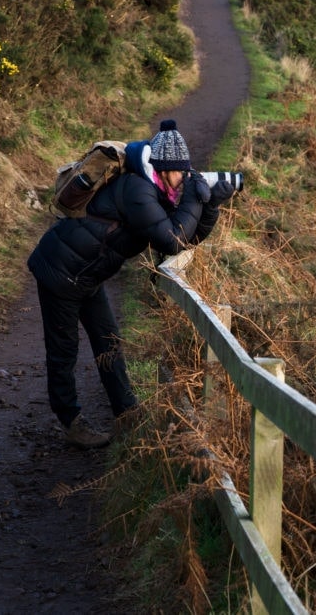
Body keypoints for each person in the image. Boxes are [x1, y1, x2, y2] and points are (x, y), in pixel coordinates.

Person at [27, 119, 235, 449]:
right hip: (61, 270)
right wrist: (196, 199)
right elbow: (172, 240)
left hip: (87, 275)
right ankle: (71, 422)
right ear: (163, 169)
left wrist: (210, 206)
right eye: (179, 171)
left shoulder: (158, 191)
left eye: (186, 170)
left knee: (109, 343)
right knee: (64, 351)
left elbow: (187, 238)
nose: (184, 177)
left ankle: (127, 413)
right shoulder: (138, 191)